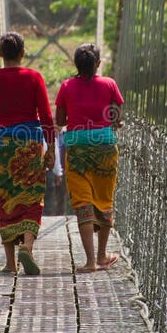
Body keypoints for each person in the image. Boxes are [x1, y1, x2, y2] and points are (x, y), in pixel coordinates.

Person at [0, 31, 55, 275]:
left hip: (1, 144)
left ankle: (11, 263)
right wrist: (51, 148)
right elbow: (45, 116)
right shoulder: (34, 77)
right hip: (30, 143)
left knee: (5, 198)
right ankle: (28, 247)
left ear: (0, 54)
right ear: (23, 54)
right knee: (32, 196)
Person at [55, 43, 124, 272]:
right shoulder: (109, 84)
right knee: (104, 202)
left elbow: (61, 120)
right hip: (105, 146)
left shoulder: (66, 86)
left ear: (76, 64)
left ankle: (91, 261)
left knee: (83, 204)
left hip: (77, 149)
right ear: (98, 64)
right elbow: (116, 118)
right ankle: (104, 256)